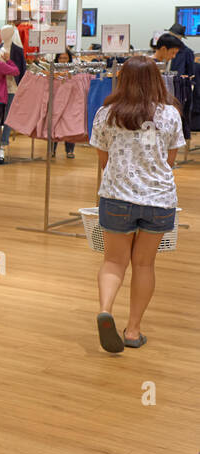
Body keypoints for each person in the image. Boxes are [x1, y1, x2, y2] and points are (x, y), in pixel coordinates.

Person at [90, 55, 184, 353]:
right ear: (156, 79)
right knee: (144, 264)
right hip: (158, 199)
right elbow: (170, 161)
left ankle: (106, 309)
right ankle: (133, 330)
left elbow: (103, 161)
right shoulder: (169, 114)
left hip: (117, 196)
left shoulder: (106, 114)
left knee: (113, 261)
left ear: (123, 79)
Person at [48, 50, 77, 159]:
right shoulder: (52, 70)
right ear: (57, 59)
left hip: (70, 102)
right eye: (61, 58)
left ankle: (70, 150)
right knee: (54, 125)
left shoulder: (74, 71)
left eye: (65, 58)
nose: (63, 61)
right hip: (55, 101)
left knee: (70, 126)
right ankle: (52, 150)